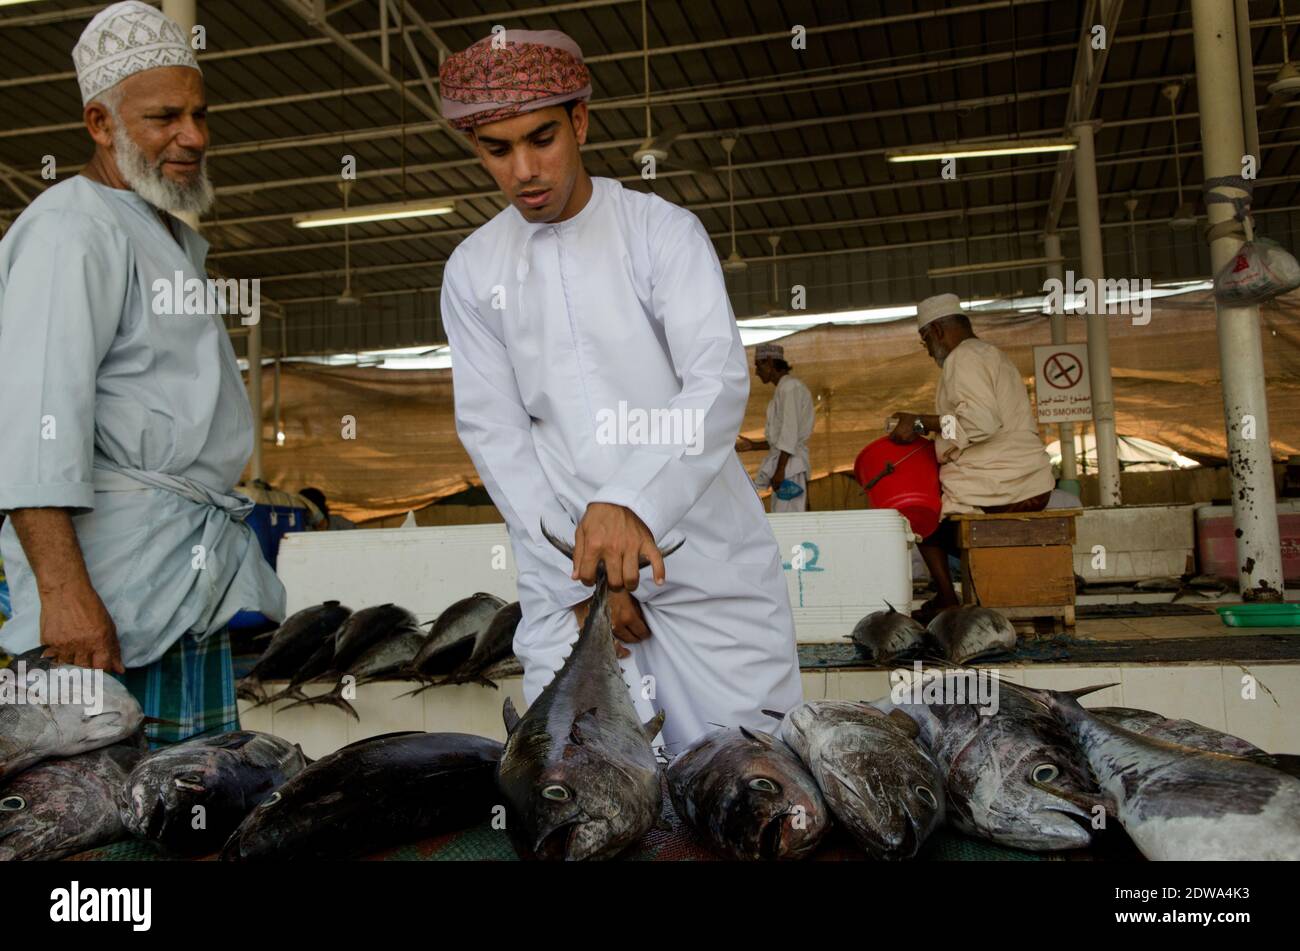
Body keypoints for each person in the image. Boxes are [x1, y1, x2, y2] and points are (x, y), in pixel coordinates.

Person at [436, 29, 802, 750]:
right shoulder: (473, 271)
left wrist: (631, 505)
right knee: (586, 792)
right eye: (497, 149)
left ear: (580, 120)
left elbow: (716, 382)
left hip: (706, 572)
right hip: (566, 585)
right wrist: (585, 583)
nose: (524, 170)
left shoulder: (662, 233)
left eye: (541, 137)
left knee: (756, 778)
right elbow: (497, 437)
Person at [0, 1, 284, 743]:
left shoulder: (167, 235)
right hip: (108, 601)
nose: (193, 136)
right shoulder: (72, 228)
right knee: (108, 819)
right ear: (100, 124)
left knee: (195, 800)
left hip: (180, 583)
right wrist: (65, 593)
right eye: (164, 117)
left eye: (199, 113)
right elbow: (34, 424)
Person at [888, 293, 1054, 621]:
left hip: (1004, 487)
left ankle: (948, 597)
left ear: (936, 331)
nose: (925, 347)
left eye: (924, 339)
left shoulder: (961, 359)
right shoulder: (991, 354)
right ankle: (951, 593)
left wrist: (919, 422)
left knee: (920, 518)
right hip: (1031, 483)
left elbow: (980, 422)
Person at [737, 343, 815, 512]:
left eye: (759, 366)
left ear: (770, 362)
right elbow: (782, 437)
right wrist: (755, 446)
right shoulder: (784, 389)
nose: (757, 372)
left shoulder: (790, 388)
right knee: (784, 517)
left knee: (789, 520)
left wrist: (780, 470)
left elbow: (789, 433)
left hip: (789, 467)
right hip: (786, 464)